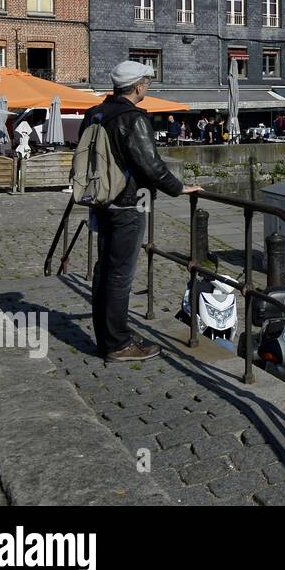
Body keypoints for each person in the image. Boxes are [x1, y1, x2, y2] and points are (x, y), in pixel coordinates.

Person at [79, 61, 200, 362]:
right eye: (146, 82)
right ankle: (117, 344)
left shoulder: (95, 113)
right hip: (127, 204)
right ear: (137, 86)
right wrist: (178, 187)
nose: (148, 86)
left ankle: (109, 335)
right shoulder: (132, 118)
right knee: (120, 275)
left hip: (101, 200)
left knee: (104, 270)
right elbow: (151, 165)